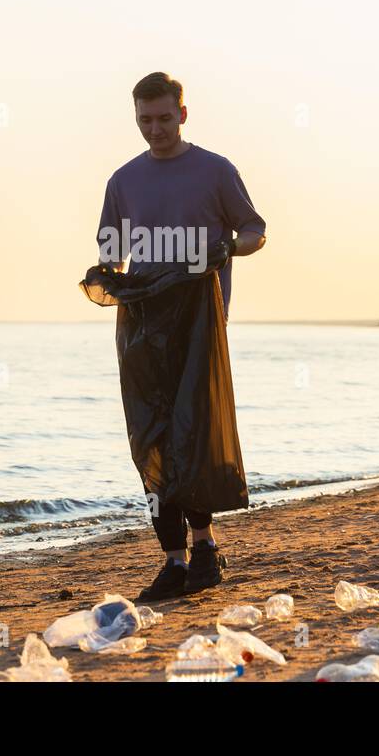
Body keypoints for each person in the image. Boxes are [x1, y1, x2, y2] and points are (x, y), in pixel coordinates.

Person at [95, 71, 267, 600]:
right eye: (145, 120)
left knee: (193, 435)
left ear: (183, 114)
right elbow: (110, 255)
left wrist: (227, 252)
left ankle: (206, 546)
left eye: (164, 118)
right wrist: (104, 274)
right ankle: (172, 559)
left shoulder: (215, 170)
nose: (155, 129)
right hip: (143, 326)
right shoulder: (122, 181)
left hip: (200, 323)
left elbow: (255, 232)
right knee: (150, 439)